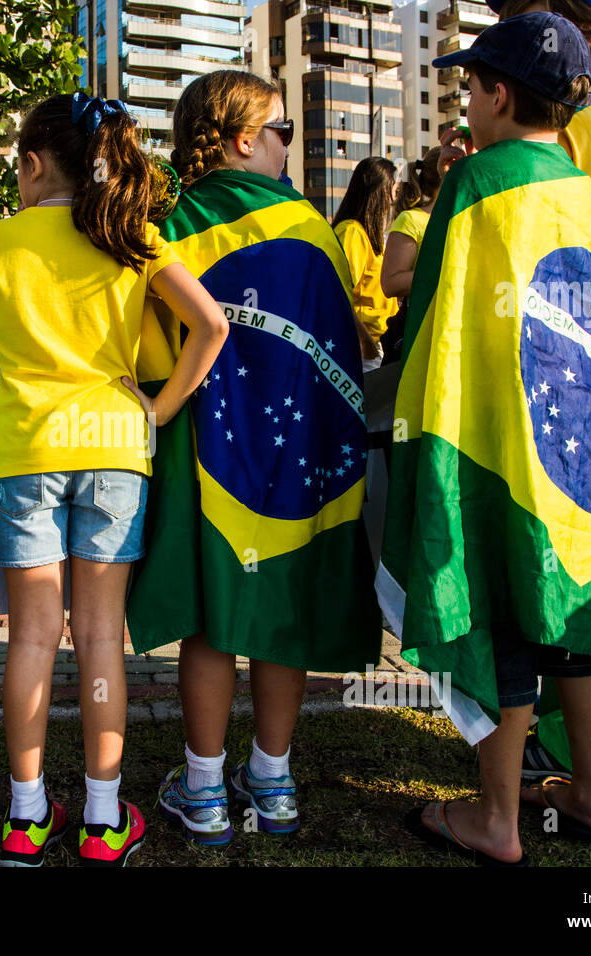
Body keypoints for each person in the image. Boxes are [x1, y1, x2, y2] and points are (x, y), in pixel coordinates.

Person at [382, 13, 591, 865]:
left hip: (490, 432)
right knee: (569, 605)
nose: (465, 103)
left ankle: (498, 818)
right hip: (571, 431)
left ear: (498, 93)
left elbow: (433, 312)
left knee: (493, 604)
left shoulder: (476, 180)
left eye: (469, 87)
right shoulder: (575, 177)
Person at [0, 91, 228, 867]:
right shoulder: (133, 236)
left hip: (26, 450)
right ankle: (105, 816)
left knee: (33, 638)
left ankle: (26, 814)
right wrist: (160, 407)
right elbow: (210, 325)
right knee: (102, 637)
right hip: (116, 447)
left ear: (33, 162)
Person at [127, 69, 382, 849]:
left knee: (212, 620)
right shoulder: (310, 227)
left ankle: (203, 790)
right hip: (300, 459)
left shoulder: (167, 220)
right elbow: (345, 348)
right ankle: (272, 779)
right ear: (244, 139)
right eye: (283, 132)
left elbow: (141, 338)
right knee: (283, 617)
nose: (286, 147)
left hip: (205, 457)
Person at [481, 0, 591, 794]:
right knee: (590, 556)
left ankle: (567, 750)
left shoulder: (563, 130)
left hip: (553, 366)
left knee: (545, 571)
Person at [333, 158, 398, 372]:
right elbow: (338, 294)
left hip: (376, 343)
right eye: (392, 189)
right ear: (379, 191)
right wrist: (365, 342)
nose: (393, 198)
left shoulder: (366, 235)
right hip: (364, 349)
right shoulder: (352, 232)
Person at [381, 147, 443, 360]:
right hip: (419, 334)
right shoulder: (412, 220)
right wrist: (448, 270)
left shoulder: (464, 219)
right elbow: (391, 282)